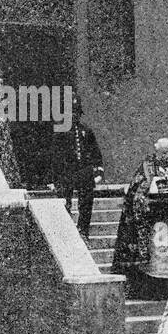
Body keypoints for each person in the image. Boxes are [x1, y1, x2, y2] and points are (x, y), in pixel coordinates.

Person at [112, 137, 168, 299]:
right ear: (156, 151)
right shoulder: (147, 167)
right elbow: (136, 189)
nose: (167, 156)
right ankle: (154, 289)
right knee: (157, 253)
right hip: (154, 222)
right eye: (163, 152)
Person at [51, 96, 104, 237]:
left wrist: (98, 170)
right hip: (67, 172)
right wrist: (55, 178)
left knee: (86, 204)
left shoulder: (86, 131)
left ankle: (83, 231)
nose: (74, 116)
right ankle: (66, 232)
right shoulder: (60, 132)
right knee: (64, 202)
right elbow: (56, 156)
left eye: (76, 112)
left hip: (84, 171)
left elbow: (95, 152)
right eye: (71, 112)